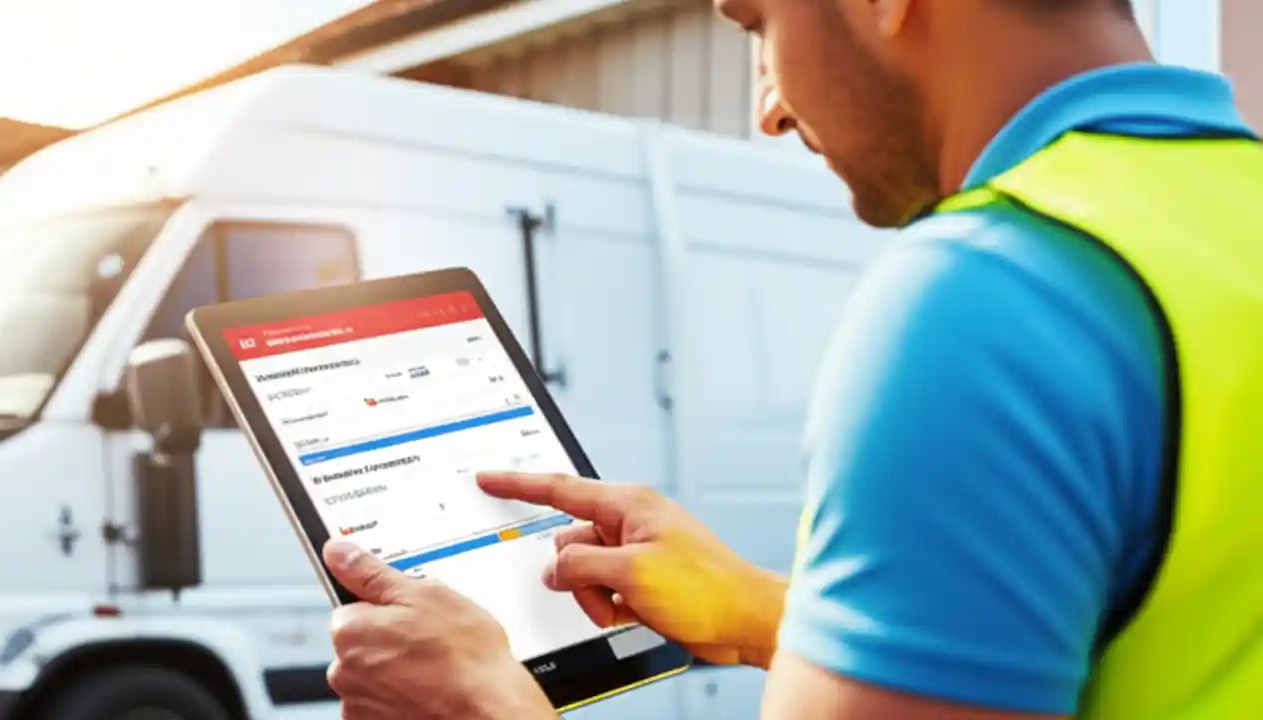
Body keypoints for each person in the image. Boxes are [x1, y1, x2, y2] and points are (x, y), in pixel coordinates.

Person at [319, 0, 1263, 718]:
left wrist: (491, 702)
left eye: (761, 23)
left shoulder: (987, 296)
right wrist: (764, 612)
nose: (768, 107)